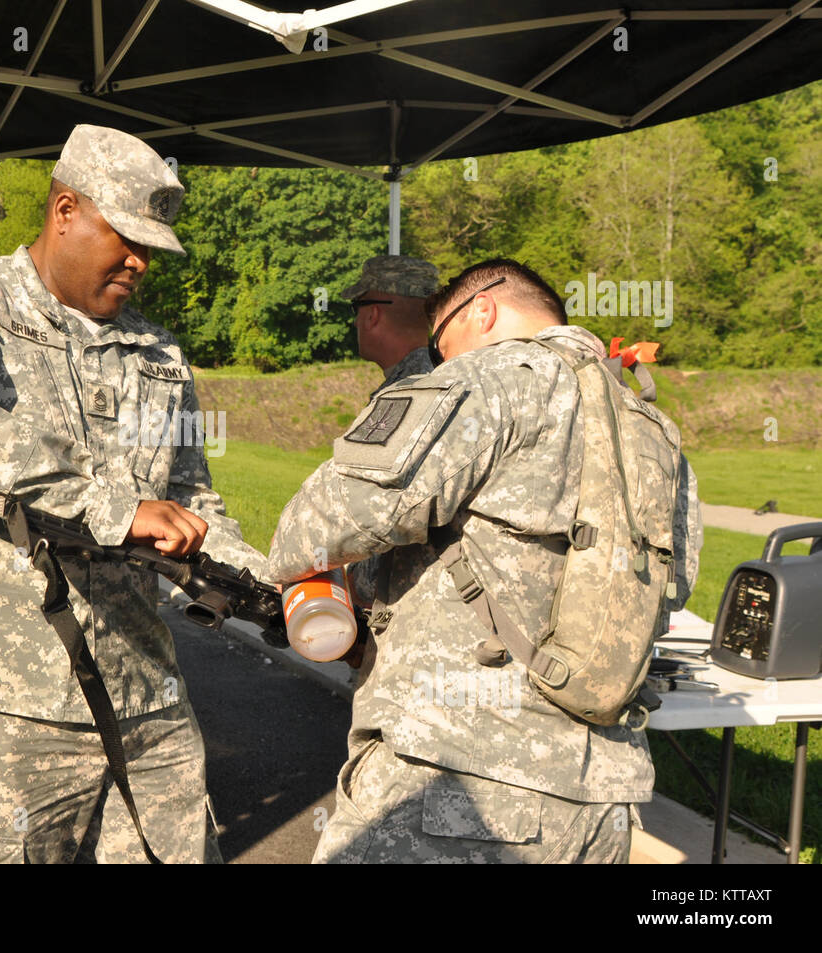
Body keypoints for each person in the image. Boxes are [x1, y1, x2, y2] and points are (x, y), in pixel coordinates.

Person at [0, 124, 263, 863]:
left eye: (152, 248)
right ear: (65, 210)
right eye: (126, 238)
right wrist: (114, 509)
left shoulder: (157, 350)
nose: (140, 263)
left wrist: (276, 585)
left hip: (143, 691)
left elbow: (189, 501)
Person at [266, 259, 702, 864]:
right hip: (602, 800)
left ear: (484, 311)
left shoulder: (488, 379)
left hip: (457, 784)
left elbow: (310, 530)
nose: (443, 360)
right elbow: (673, 589)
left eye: (444, 344)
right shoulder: (653, 428)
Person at [342, 255, 438, 613]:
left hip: (393, 612)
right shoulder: (441, 381)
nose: (355, 320)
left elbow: (355, 509)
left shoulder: (407, 394)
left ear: (373, 313)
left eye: (357, 307)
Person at [345, 254, 438, 384]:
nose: (355, 322)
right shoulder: (442, 374)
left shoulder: (403, 389)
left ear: (373, 316)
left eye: (356, 307)